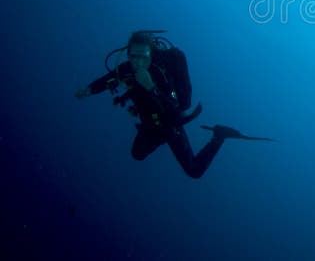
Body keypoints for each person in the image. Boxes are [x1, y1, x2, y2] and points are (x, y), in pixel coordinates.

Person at [75, 31, 271, 179]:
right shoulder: (126, 69)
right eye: (134, 56)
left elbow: (178, 107)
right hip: (150, 124)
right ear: (128, 54)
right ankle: (158, 137)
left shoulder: (160, 73)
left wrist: (151, 88)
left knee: (194, 171)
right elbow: (107, 80)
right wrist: (89, 90)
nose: (139, 62)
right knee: (137, 154)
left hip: (170, 123)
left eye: (144, 56)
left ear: (151, 55)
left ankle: (219, 136)